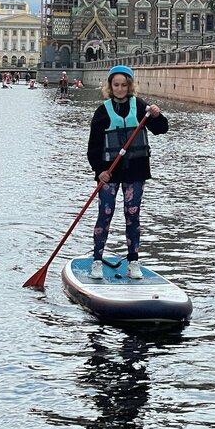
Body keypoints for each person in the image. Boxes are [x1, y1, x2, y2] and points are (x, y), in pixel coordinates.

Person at [87, 65, 168, 279]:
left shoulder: (141, 107)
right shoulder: (103, 111)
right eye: (116, 85)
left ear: (130, 86)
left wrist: (158, 116)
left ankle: (133, 262)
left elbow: (162, 129)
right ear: (110, 86)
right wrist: (99, 172)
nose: (120, 89)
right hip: (110, 173)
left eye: (124, 85)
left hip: (135, 171)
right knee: (105, 215)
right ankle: (97, 260)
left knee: (132, 216)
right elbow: (93, 146)